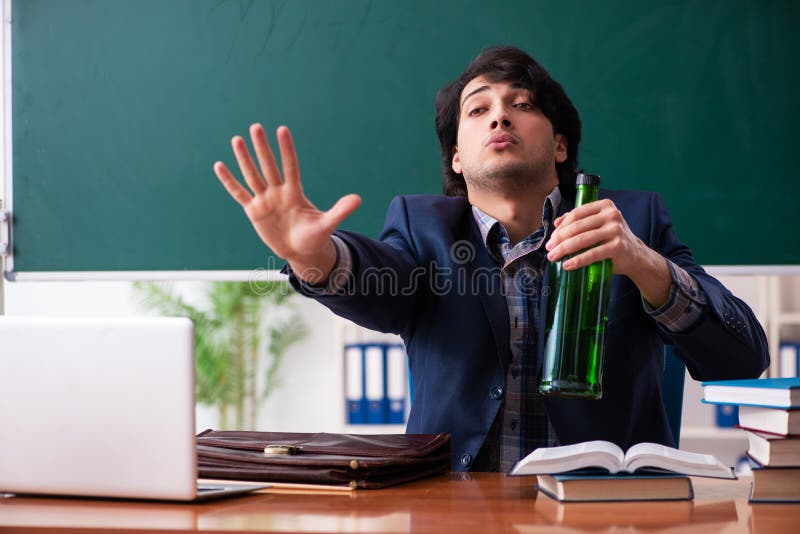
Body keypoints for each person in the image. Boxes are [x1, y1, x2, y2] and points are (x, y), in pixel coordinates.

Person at [213, 46, 769, 472]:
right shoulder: (422, 225)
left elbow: (743, 358)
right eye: (477, 110)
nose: (499, 117)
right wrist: (315, 257)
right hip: (453, 507)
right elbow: (379, 285)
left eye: (521, 105)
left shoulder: (633, 221)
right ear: (457, 157)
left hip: (605, 509)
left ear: (559, 146)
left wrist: (646, 267)